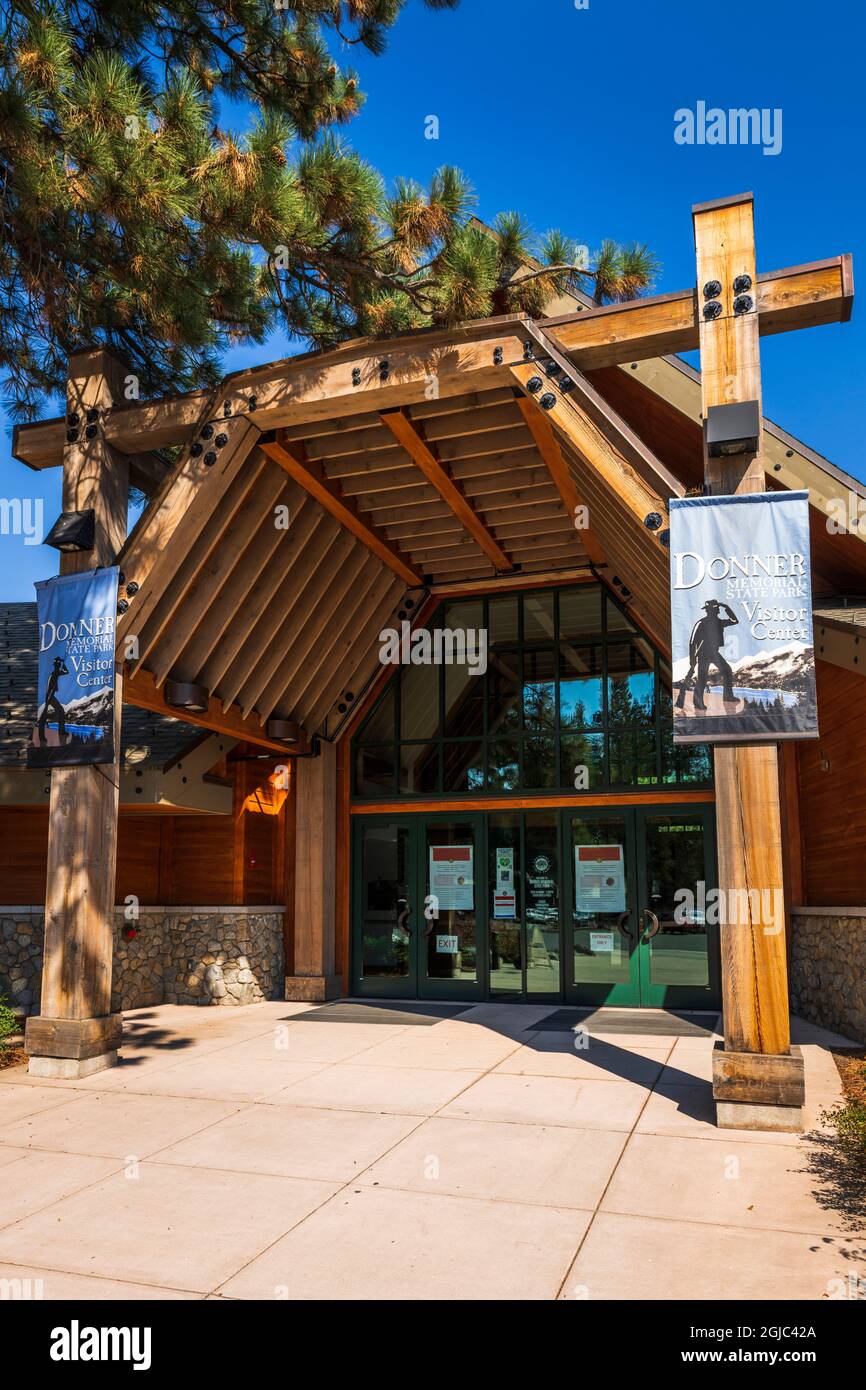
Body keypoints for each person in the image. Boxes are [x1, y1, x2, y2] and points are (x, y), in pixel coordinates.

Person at [689, 599, 738, 710]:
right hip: (703, 653)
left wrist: (726, 607)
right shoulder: (701, 623)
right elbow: (692, 642)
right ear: (710, 611)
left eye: (718, 609)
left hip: (714, 652)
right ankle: (697, 702)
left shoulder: (718, 622)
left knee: (727, 670)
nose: (718, 611)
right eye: (717, 609)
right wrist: (692, 659)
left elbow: (734, 620)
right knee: (702, 677)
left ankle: (728, 696)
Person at [37, 656, 69, 743]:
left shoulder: (56, 672)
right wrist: (49, 697)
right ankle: (41, 736)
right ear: (56, 666)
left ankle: (61, 732)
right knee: (44, 716)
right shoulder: (54, 674)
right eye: (57, 665)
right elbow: (49, 687)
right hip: (49, 695)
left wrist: (63, 663)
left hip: (51, 695)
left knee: (60, 711)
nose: (58, 666)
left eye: (58, 665)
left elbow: (66, 672)